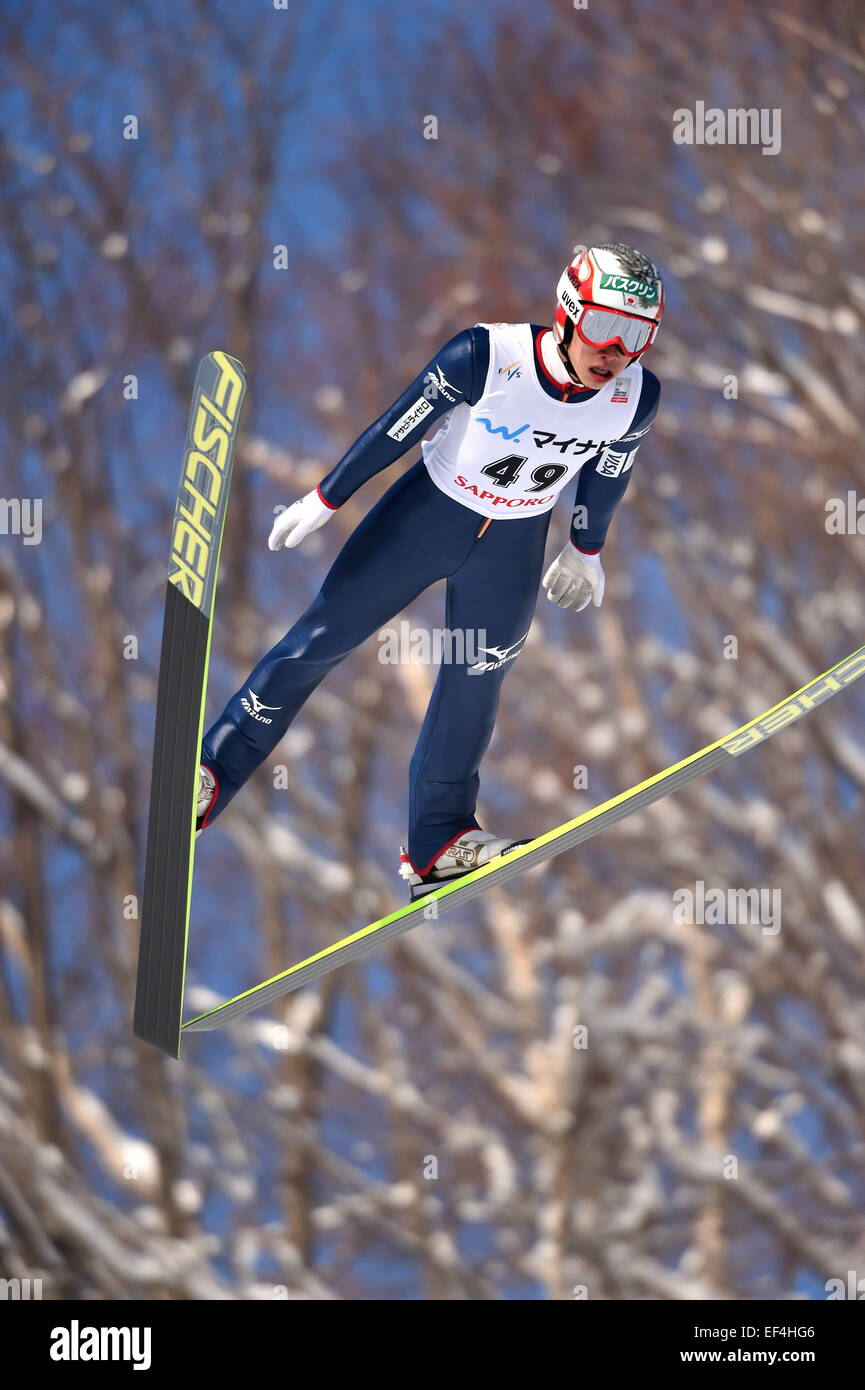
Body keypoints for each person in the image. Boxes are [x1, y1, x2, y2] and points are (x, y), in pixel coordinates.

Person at [196, 242, 663, 898]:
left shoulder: (633, 397)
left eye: (637, 336)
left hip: (512, 544)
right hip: (426, 519)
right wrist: (326, 496)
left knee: (478, 679)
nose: (615, 352)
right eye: (604, 328)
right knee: (322, 639)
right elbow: (395, 426)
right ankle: (212, 774)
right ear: (566, 313)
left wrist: (585, 548)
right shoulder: (485, 356)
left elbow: (610, 473)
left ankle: (438, 842)